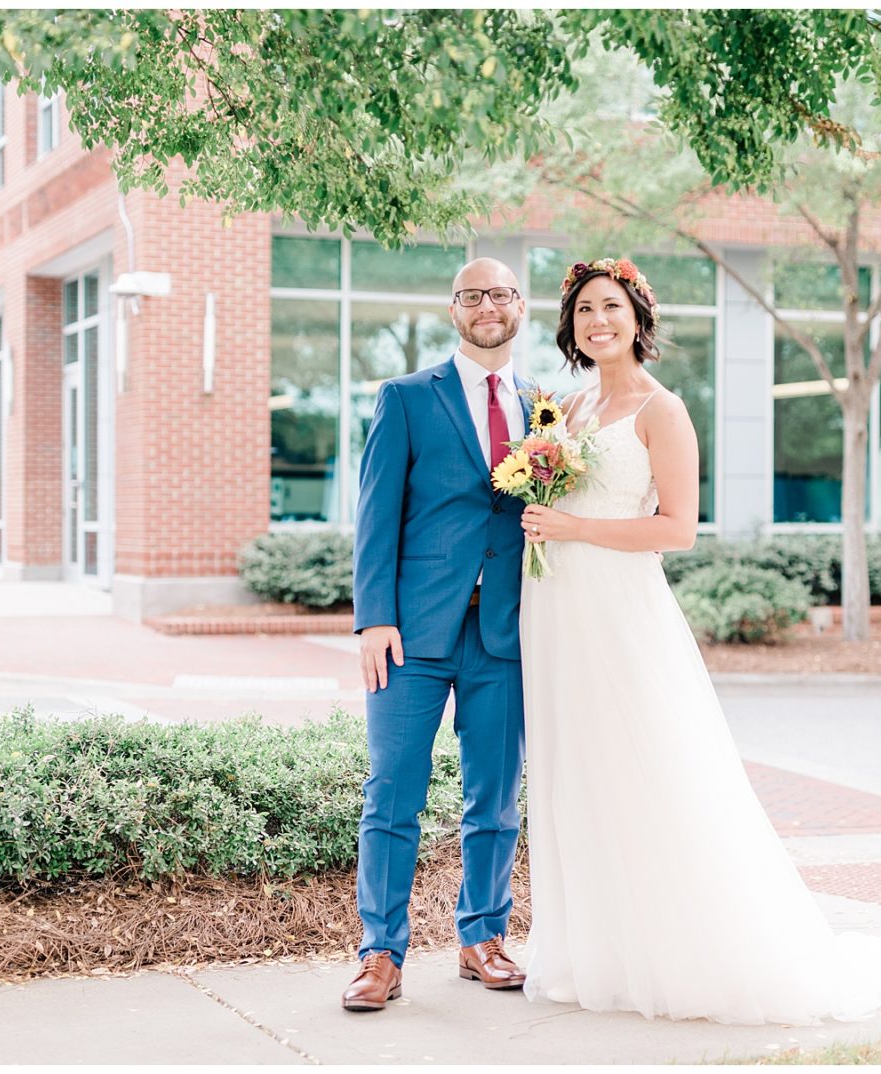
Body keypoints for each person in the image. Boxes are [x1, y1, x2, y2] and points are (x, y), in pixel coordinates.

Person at [516, 257, 881, 1025]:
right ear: (570, 327)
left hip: (620, 610)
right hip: (558, 609)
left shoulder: (661, 409)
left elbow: (678, 529)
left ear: (638, 319)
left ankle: (676, 954)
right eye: (584, 311)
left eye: (610, 307)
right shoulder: (567, 406)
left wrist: (574, 526)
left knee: (641, 768)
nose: (597, 322)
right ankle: (594, 952)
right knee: (574, 772)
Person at [345, 257, 535, 1012]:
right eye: (472, 295)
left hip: (504, 633)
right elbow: (374, 515)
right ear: (454, 310)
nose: (487, 305)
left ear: (519, 307)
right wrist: (373, 617)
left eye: (500, 293)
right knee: (391, 795)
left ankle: (481, 937)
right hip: (411, 632)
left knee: (495, 798)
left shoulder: (545, 408)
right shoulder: (406, 398)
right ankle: (380, 955)